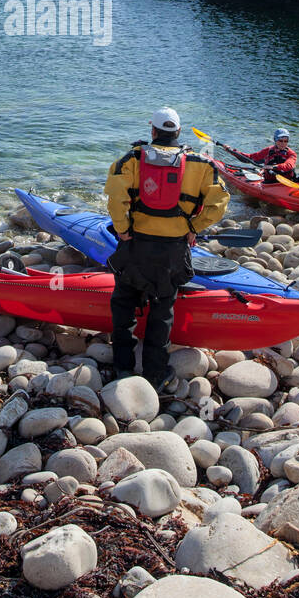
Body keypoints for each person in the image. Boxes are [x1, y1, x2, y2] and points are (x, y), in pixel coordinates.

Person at [104, 106, 229, 394]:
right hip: (172, 251)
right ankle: (156, 373)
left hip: (134, 246)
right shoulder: (201, 164)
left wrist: (122, 230)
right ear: (179, 132)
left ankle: (123, 365)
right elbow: (219, 203)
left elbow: (115, 199)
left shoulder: (130, 160)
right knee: (162, 311)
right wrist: (194, 227)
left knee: (123, 303)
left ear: (153, 131)